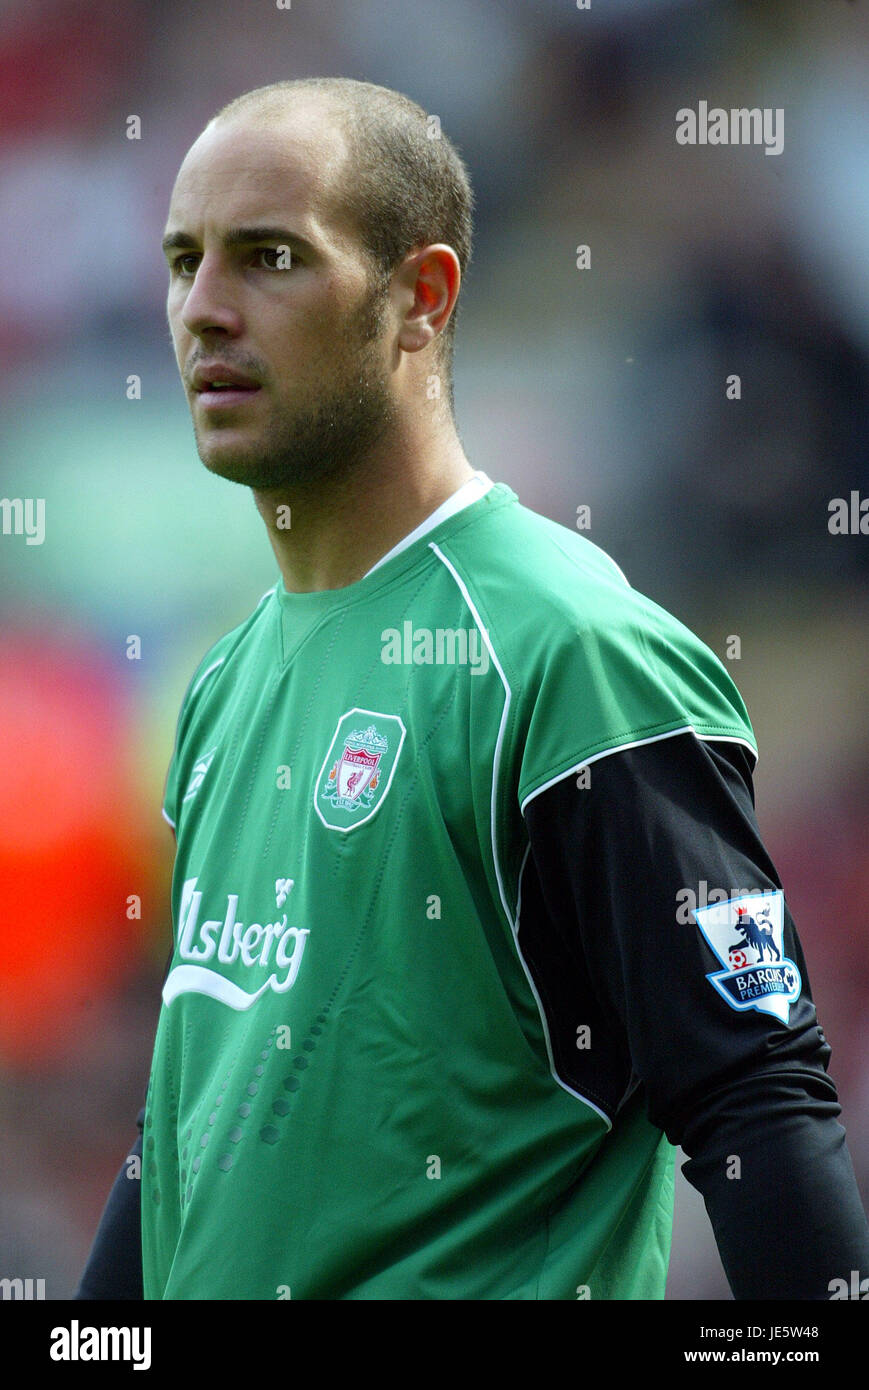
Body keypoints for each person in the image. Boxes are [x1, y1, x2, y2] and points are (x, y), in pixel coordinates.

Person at [76, 77, 869, 1301]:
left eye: (269, 257)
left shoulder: (567, 649)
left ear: (420, 298)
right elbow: (184, 1131)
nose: (204, 310)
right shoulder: (222, 685)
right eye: (184, 261)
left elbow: (755, 1103)